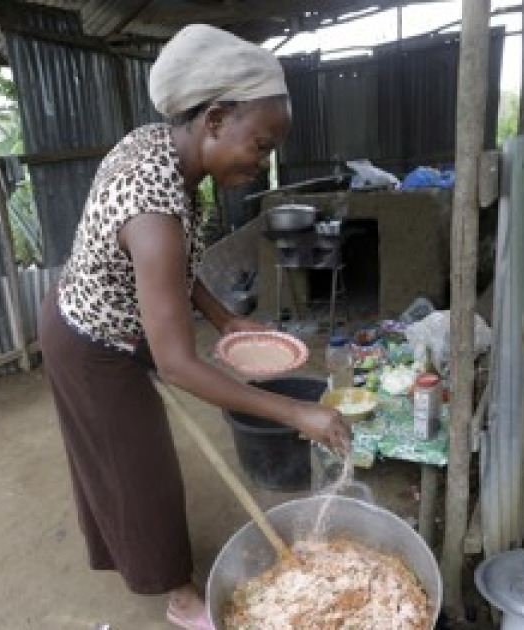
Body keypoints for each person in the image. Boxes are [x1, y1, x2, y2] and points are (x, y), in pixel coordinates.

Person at [38, 24, 352, 630]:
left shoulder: (166, 149)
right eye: (259, 145)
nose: (262, 164)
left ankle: (143, 555)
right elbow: (179, 365)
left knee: (130, 461)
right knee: (136, 468)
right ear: (214, 119)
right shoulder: (153, 206)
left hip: (122, 321)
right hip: (90, 340)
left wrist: (224, 317)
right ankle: (180, 597)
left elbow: (171, 270)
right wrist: (296, 413)